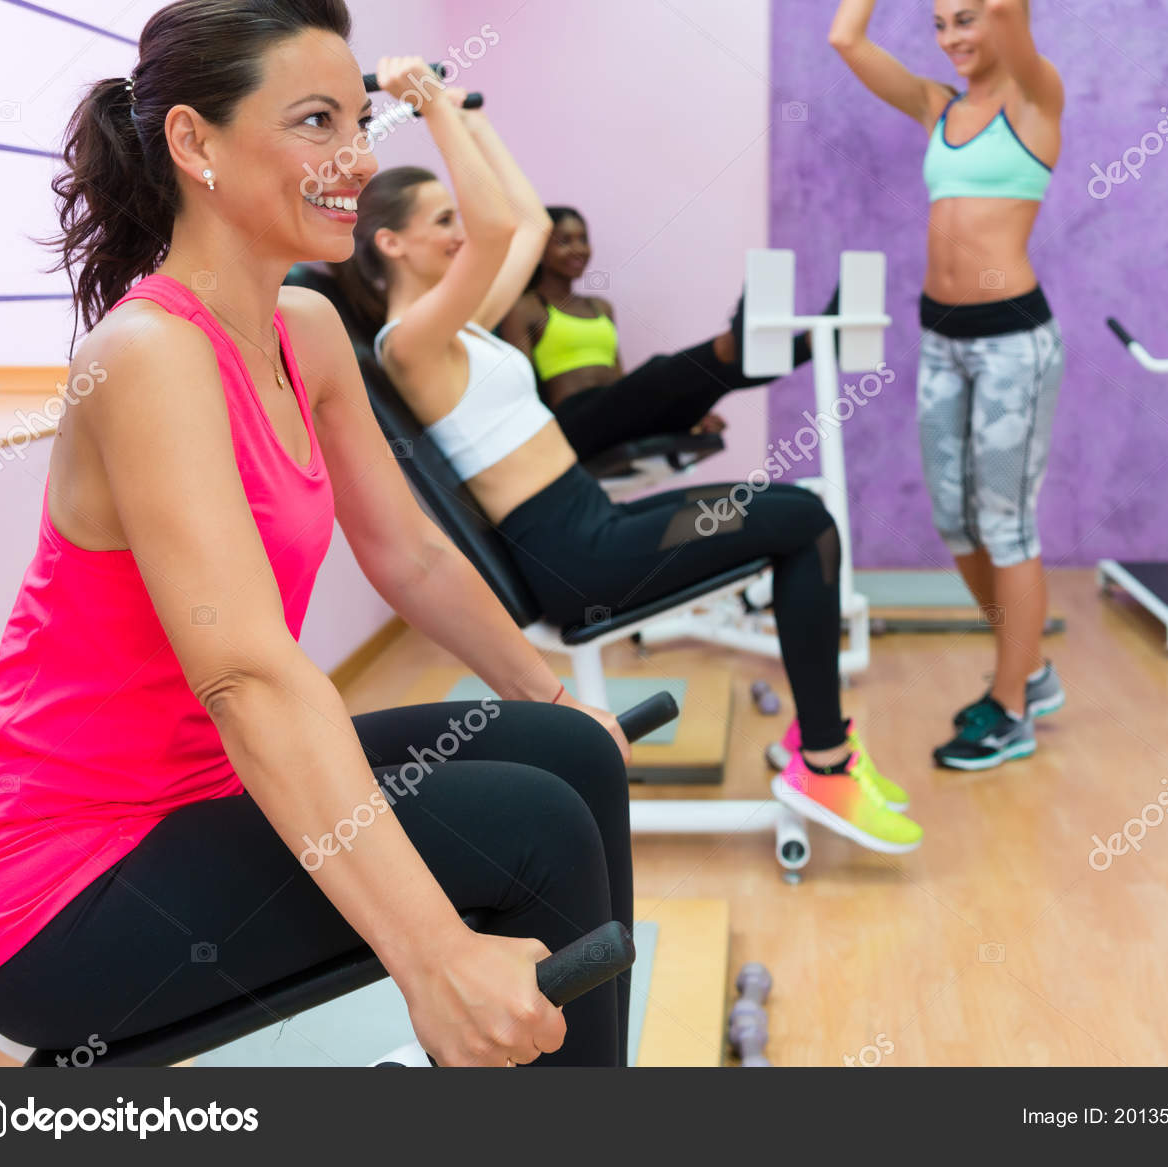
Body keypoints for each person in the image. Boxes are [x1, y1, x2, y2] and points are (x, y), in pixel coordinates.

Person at [0, 1, 634, 1069]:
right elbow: (248, 678)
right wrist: (435, 957)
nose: (354, 160)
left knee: (568, 755)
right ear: (193, 141)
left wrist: (547, 690)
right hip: (59, 888)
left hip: (202, 796)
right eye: (316, 123)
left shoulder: (306, 328)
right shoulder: (149, 355)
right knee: (532, 834)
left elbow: (411, 553)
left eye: (359, 123)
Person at [333, 58, 924, 856]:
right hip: (575, 556)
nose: (460, 230)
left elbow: (529, 225)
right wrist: (432, 106)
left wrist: (469, 118)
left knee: (798, 519)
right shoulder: (410, 344)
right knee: (805, 520)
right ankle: (823, 760)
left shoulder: (459, 323)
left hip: (591, 522)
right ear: (389, 242)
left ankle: (818, 749)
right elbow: (501, 230)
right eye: (441, 221)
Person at [831, 0, 1066, 772]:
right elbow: (846, 38)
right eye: (938, 24)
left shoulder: (1035, 97)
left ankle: (1010, 708)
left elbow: (1008, 12)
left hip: (1011, 344)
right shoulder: (937, 105)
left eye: (966, 19)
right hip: (942, 338)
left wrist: (997, 13)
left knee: (1006, 526)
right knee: (955, 521)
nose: (951, 38)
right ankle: (1026, 666)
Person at [486, 206, 833, 462]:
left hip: (616, 411)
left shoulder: (600, 307)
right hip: (572, 424)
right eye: (564, 241)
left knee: (714, 381)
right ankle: (728, 343)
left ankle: (812, 341)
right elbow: (518, 387)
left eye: (583, 239)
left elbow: (623, 382)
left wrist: (679, 406)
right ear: (539, 251)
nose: (578, 249)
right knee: (659, 370)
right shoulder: (526, 307)